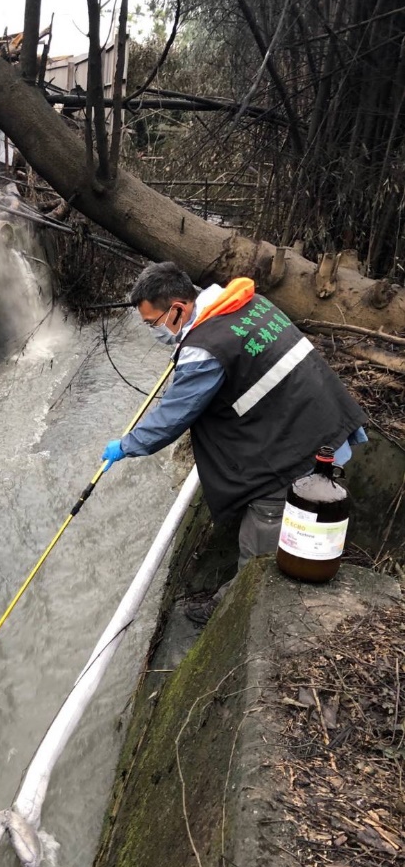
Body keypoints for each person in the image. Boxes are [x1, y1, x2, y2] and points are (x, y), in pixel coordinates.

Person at [101, 262, 367, 624]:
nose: (155, 332)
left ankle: (237, 610)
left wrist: (127, 445)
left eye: (153, 323)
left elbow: (172, 418)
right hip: (326, 421)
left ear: (178, 308)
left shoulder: (205, 349)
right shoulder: (247, 303)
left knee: (259, 541)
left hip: (291, 450)